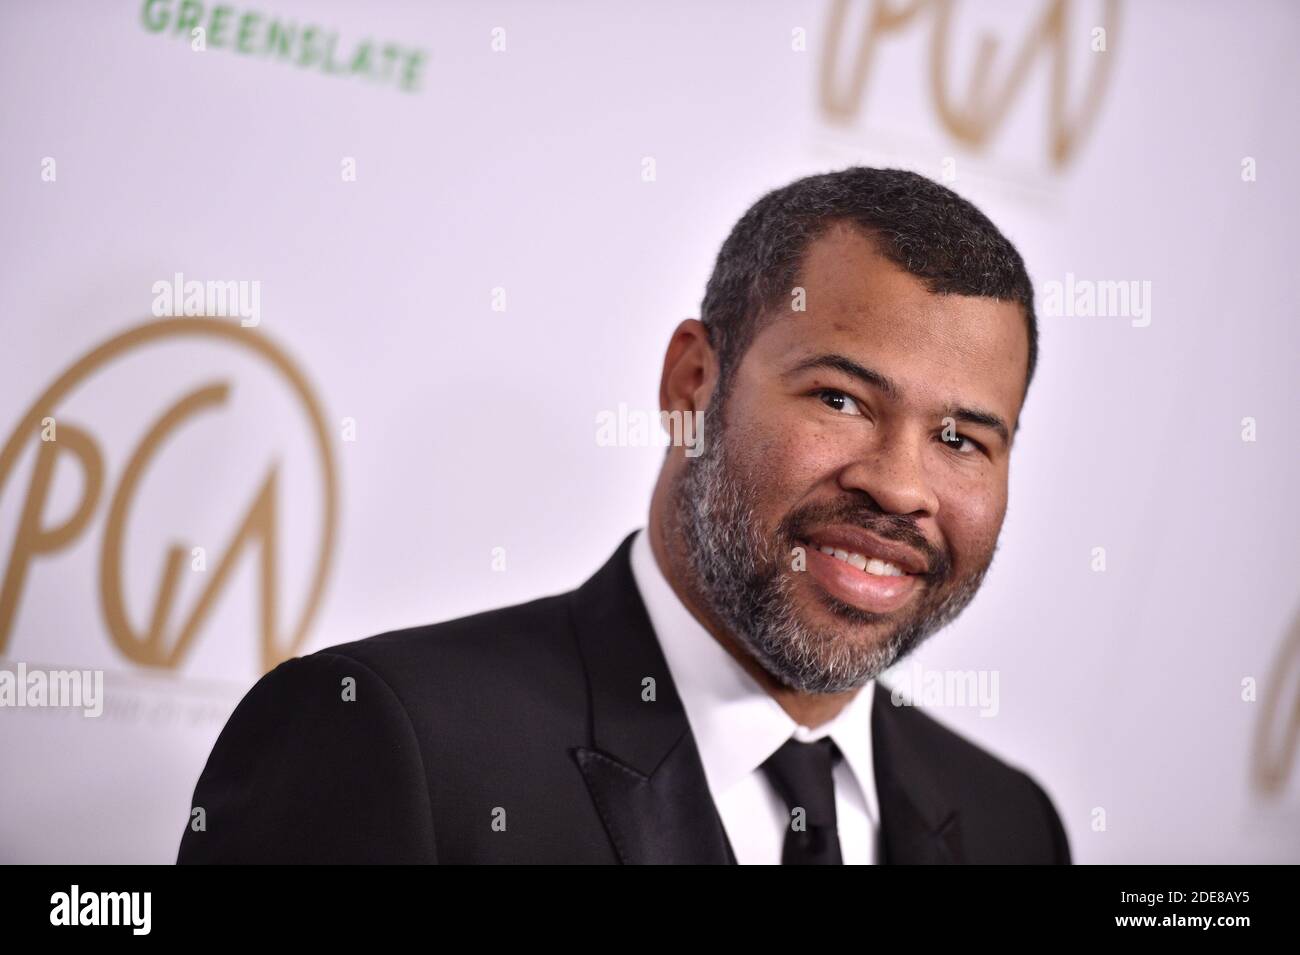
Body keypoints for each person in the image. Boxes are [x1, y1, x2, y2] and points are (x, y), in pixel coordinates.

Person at [178, 167, 1070, 864]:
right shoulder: (383, 743)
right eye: (839, 399)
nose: (900, 485)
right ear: (693, 383)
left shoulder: (1012, 825)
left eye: (962, 438)